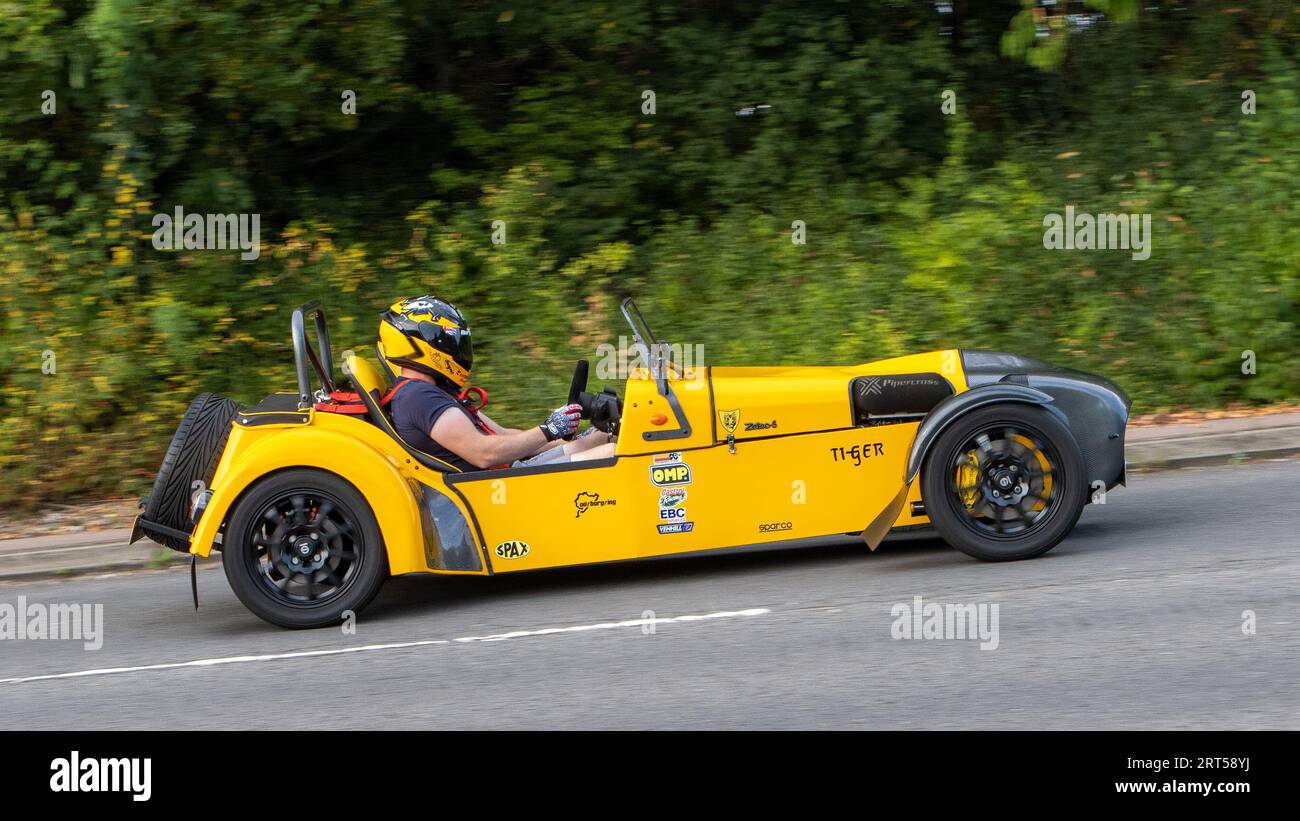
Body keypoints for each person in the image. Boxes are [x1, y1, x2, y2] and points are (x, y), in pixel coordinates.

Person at [377, 295, 616, 471]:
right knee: (615, 455)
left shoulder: (437, 392)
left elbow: (502, 436)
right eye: (452, 342)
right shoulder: (418, 398)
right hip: (499, 488)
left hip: (510, 471)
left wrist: (570, 434)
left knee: (608, 438)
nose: (460, 350)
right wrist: (549, 429)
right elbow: (484, 453)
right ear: (422, 343)